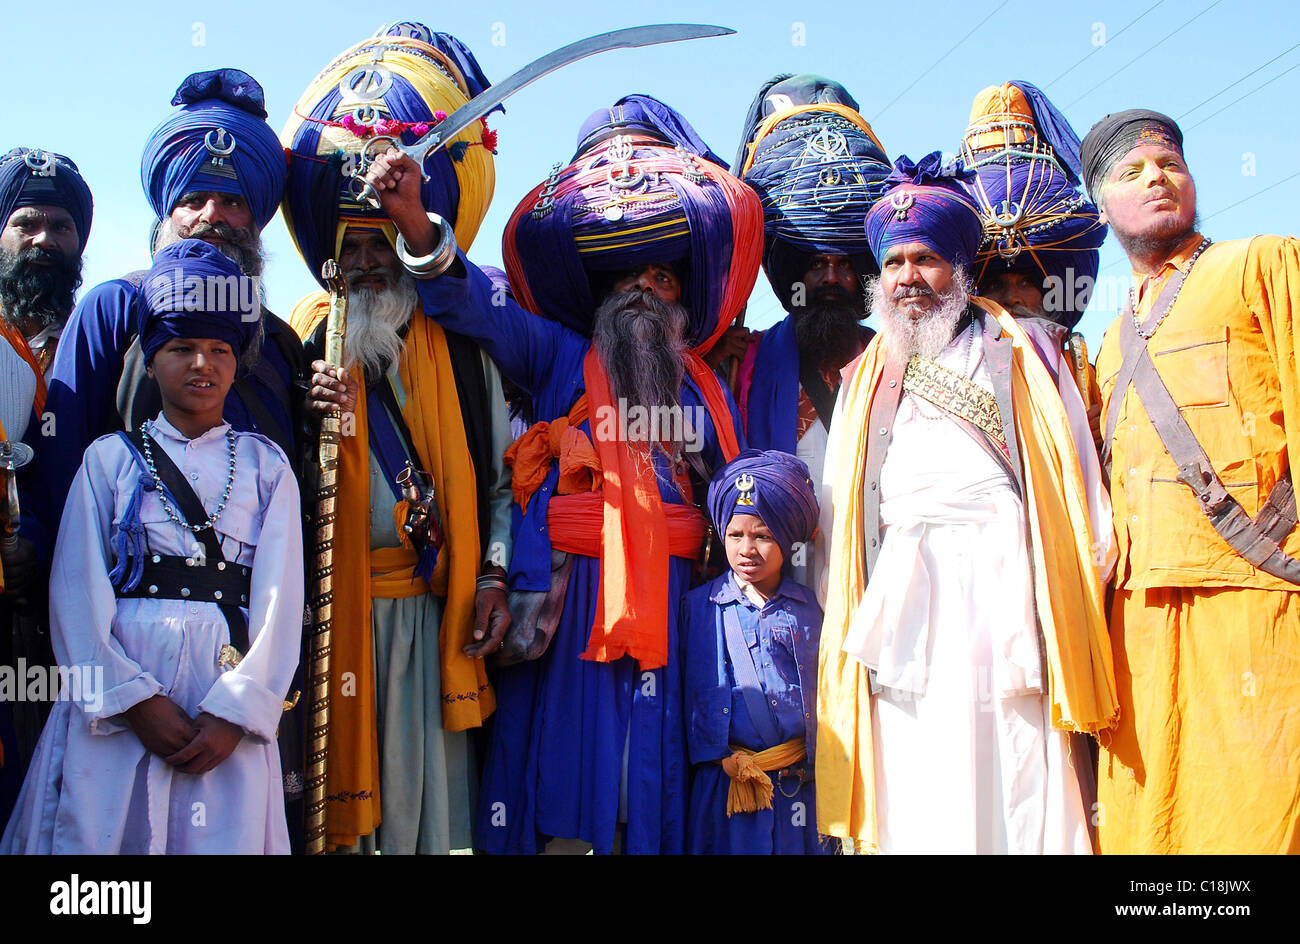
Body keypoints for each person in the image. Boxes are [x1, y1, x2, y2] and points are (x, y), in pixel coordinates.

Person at [359, 95, 760, 853]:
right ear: (599, 293)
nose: (644, 289)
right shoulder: (553, 353)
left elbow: (737, 498)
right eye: (625, 278)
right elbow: (466, 303)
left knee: (660, 782)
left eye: (662, 278)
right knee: (560, 788)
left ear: (682, 296)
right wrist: (412, 219)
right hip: (569, 606)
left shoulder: (707, 382)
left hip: (676, 608)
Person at [816, 153, 1119, 854]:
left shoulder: (1024, 351)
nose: (907, 278)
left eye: (926, 260)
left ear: (960, 267)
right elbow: (837, 510)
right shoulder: (864, 376)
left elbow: (1075, 478)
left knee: (1012, 765)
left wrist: (1072, 599)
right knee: (913, 770)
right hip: (901, 606)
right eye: (894, 264)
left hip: (1005, 594)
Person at [282, 24, 513, 854]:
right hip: (339, 617)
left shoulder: (458, 347)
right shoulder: (306, 346)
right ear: (334, 261)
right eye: (356, 248)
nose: (369, 262)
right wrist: (309, 422)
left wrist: (492, 577)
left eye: (384, 243)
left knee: (436, 812)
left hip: (438, 613)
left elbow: (500, 483)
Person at [1, 239, 303, 854]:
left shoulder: (266, 468)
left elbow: (280, 601)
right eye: (181, 348)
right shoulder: (108, 461)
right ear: (149, 356)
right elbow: (77, 593)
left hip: (224, 693)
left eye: (219, 349)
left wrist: (235, 712)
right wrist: (133, 701)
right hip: (118, 704)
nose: (202, 364)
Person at [1083, 109, 1300, 854]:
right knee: (1148, 828)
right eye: (1131, 172)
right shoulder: (1109, 341)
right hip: (1135, 618)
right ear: (1101, 204)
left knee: (1262, 813)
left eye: (1169, 164)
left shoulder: (1262, 265)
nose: (1157, 179)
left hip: (1255, 596)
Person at [38, 68, 306, 536]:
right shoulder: (114, 309)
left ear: (256, 217)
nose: (212, 216)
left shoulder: (280, 341)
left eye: (232, 201)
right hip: (126, 589)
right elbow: (61, 461)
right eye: (194, 199)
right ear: (167, 212)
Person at [724, 75, 889, 489]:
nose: (832, 277)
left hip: (872, 550)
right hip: (773, 550)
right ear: (797, 272)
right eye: (817, 264)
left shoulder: (890, 358)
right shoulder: (745, 360)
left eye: (845, 265)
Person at [0, 145, 93, 831]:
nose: (44, 240)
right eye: (26, 223)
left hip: (78, 619)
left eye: (62, 227)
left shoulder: (103, 342)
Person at [681, 449, 833, 854]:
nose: (747, 548)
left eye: (763, 535)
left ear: (788, 539)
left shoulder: (813, 609)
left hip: (796, 786)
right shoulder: (697, 608)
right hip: (728, 789)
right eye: (735, 535)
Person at [961, 81, 1108, 449]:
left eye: (1025, 283)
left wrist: (1102, 440)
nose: (1010, 299)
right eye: (995, 286)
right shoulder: (946, 368)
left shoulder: (1084, 370)